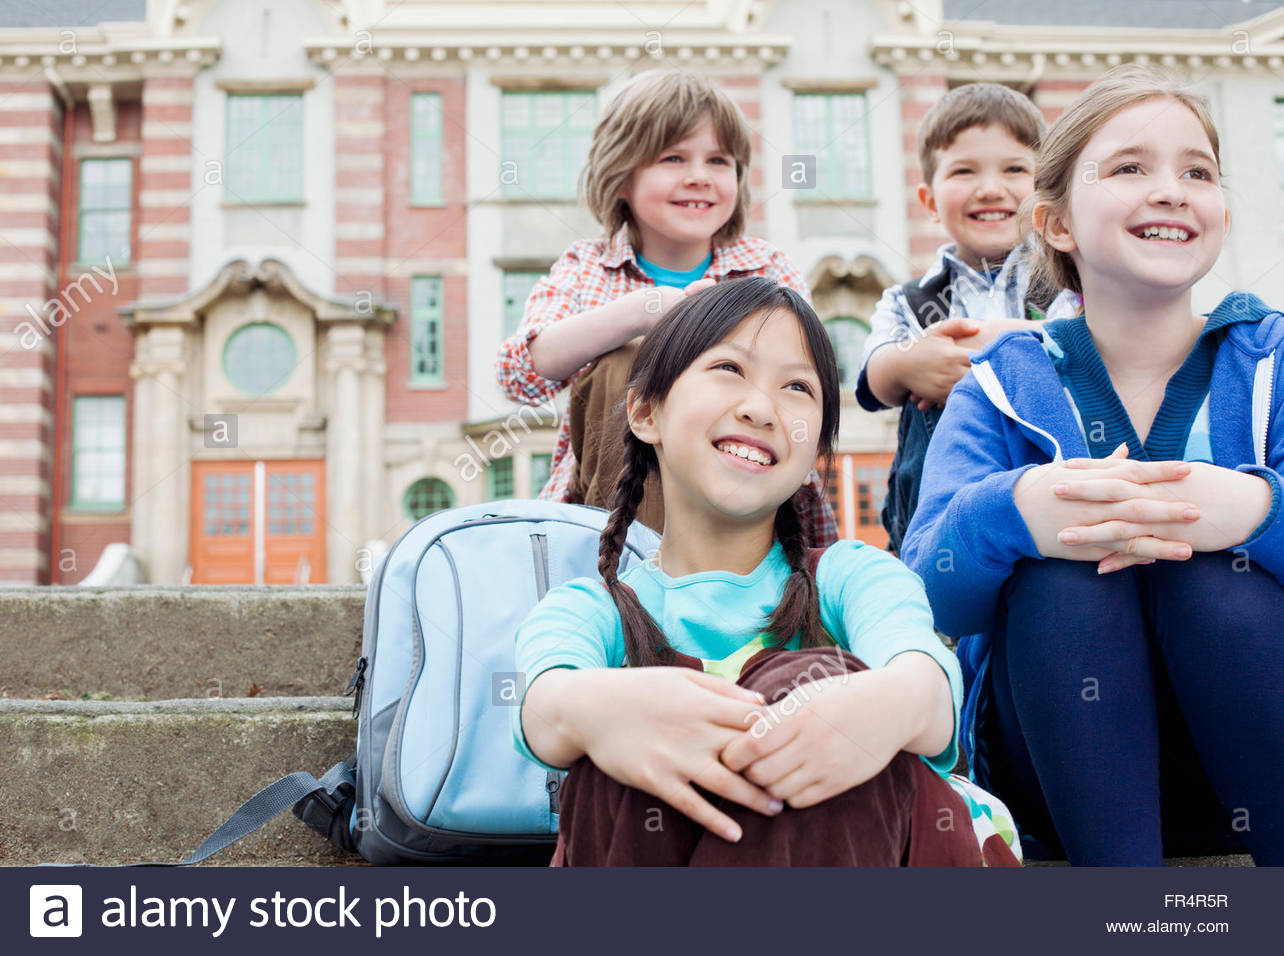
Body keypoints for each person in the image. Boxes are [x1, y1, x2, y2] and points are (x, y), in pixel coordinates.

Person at [902, 65, 1284, 866]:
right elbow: (928, 591)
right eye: (1130, 168)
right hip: (1063, 768)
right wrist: (1016, 513)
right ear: (1059, 224)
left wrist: (1257, 513)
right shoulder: (1004, 383)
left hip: (1255, 746)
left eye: (1198, 172)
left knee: (1215, 575)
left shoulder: (1271, 359)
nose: (1173, 190)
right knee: (1064, 574)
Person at [512, 277, 1021, 866]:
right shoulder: (589, 608)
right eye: (729, 368)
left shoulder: (851, 576)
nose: (760, 407)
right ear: (645, 412)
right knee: (614, 756)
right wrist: (614, 713)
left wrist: (871, 707)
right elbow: (544, 705)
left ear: (813, 456)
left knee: (803, 684)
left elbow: (925, 689)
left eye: (797, 387)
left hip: (877, 846)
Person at [495, 70, 838, 546]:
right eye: (673, 158)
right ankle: (637, 570)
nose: (698, 176)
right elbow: (521, 373)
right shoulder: (586, 266)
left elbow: (806, 379)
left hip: (744, 487)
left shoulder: (768, 268)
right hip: (614, 506)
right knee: (626, 358)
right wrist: (642, 312)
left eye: (718, 160)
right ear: (621, 176)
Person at [856, 82, 1079, 554]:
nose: (991, 188)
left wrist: (992, 344)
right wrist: (907, 363)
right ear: (931, 201)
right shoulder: (910, 300)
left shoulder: (1070, 286)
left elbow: (1088, 346)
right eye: (964, 171)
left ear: (1044, 194)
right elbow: (875, 376)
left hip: (1049, 502)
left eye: (1014, 169)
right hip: (937, 521)